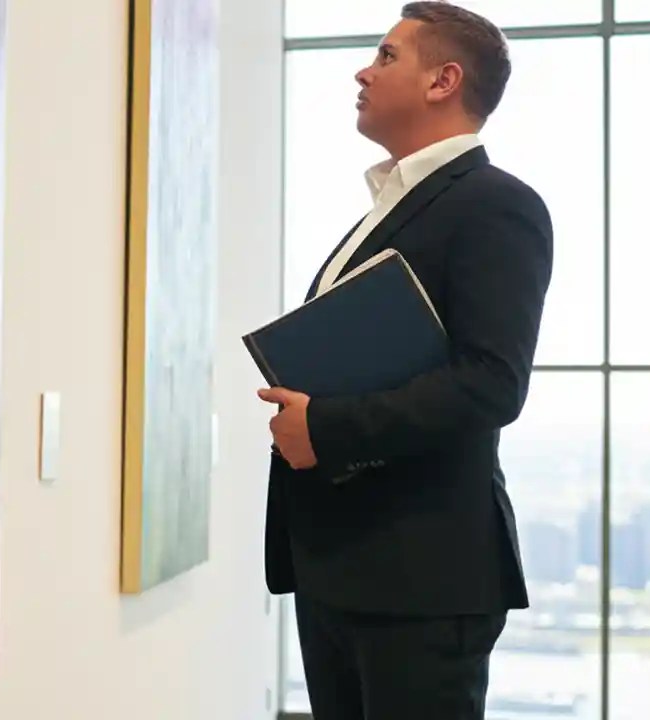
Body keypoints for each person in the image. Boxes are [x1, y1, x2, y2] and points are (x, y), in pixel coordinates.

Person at [257, 3, 553, 719]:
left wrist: (323, 428)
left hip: (424, 578)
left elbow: (492, 383)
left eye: (386, 56)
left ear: (443, 81)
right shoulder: (385, 209)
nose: (363, 72)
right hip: (340, 568)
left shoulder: (497, 206)